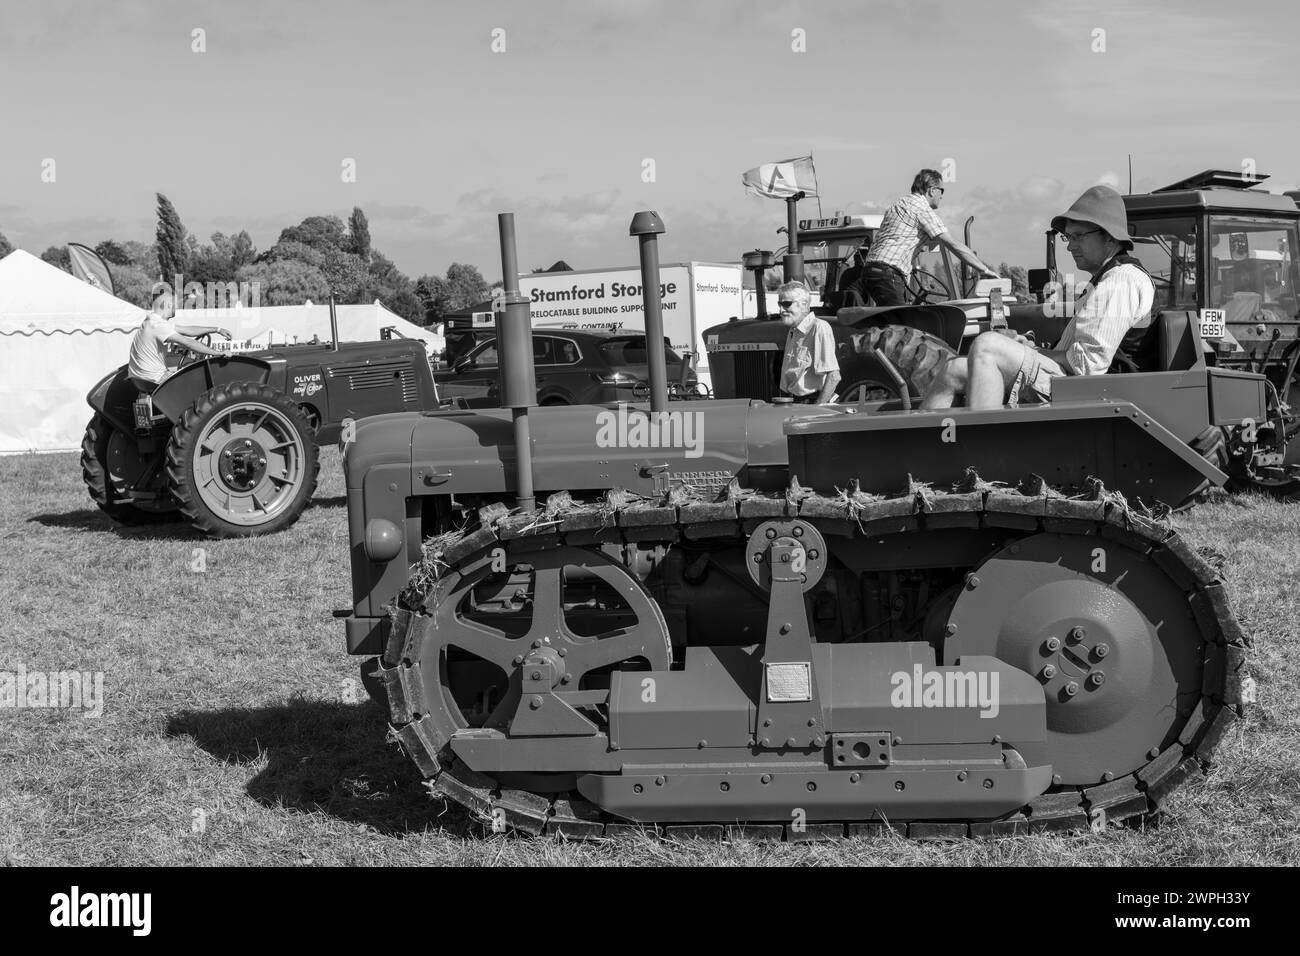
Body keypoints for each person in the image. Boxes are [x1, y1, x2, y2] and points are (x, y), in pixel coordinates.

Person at [921, 184, 1154, 410]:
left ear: (1110, 238)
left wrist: (1036, 352)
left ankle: (981, 446)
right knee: (954, 369)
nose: (1071, 247)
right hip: (1073, 380)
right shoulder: (1106, 279)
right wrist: (1032, 349)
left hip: (1089, 391)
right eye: (1068, 237)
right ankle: (928, 445)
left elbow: (1087, 365)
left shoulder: (1120, 280)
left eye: (1079, 236)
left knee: (987, 346)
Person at [862, 169, 1001, 306]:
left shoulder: (898, 204)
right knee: (901, 325)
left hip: (870, 272)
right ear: (932, 190)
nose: (942, 196)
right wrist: (985, 270)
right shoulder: (922, 209)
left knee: (889, 321)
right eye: (942, 191)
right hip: (889, 273)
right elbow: (952, 244)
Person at [127, 287, 231, 392]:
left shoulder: (152, 321)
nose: (176, 307)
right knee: (199, 382)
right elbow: (188, 343)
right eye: (174, 303)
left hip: (139, 379)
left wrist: (217, 329)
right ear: (168, 304)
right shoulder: (158, 325)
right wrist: (217, 353)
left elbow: (188, 330)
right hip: (154, 379)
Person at [776, 280, 840, 403]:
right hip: (797, 402)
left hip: (812, 402)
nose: (781, 310)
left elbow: (834, 376)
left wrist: (817, 410)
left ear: (804, 304)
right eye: (779, 304)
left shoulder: (819, 327)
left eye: (786, 304)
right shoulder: (792, 330)